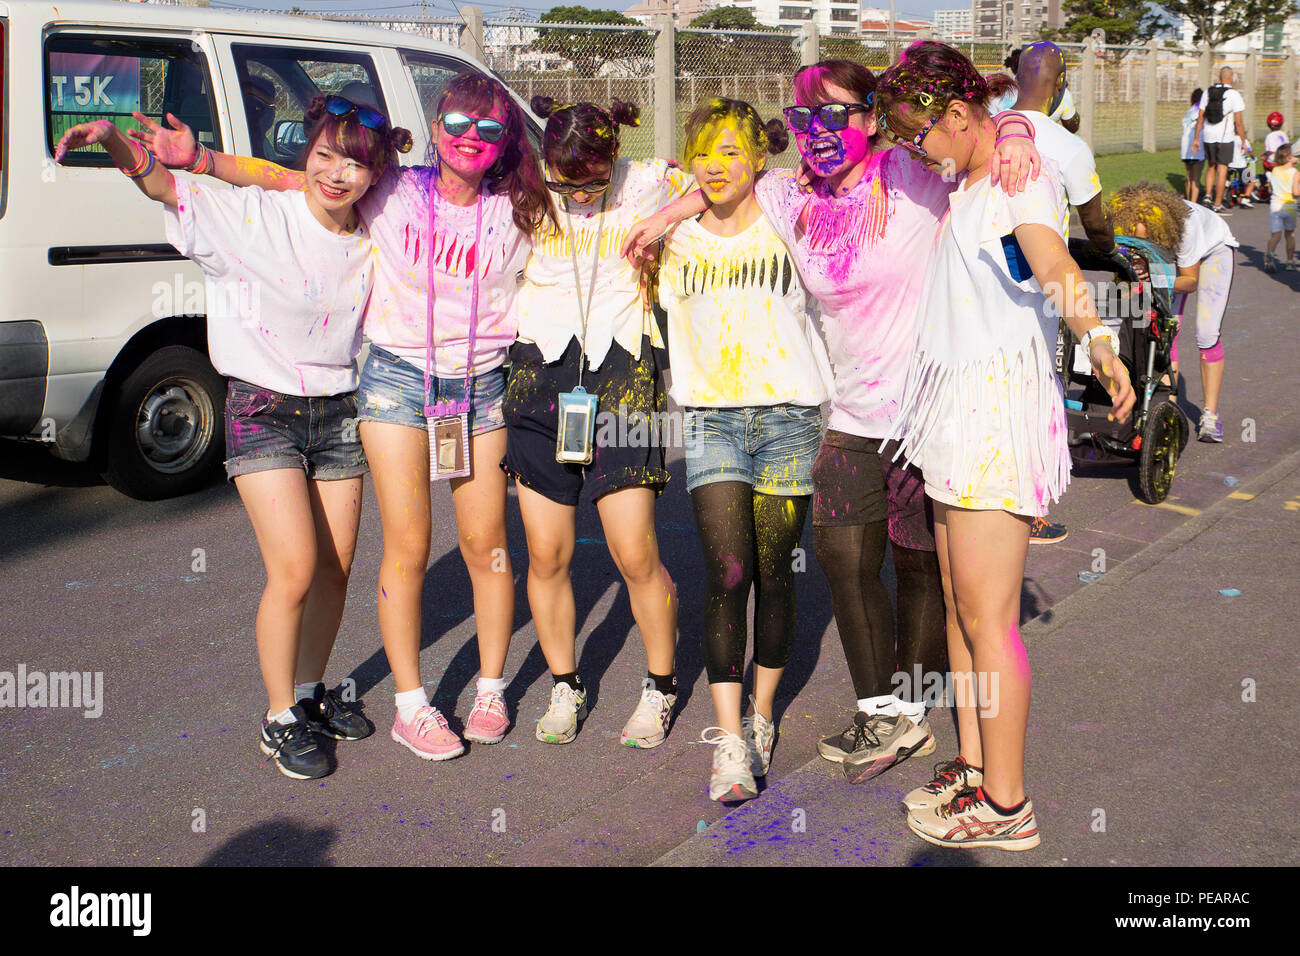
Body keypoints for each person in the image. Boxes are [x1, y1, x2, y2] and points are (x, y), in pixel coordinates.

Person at [623, 59, 1043, 786]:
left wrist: (1013, 126)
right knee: (845, 560)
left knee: (919, 568)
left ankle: (914, 712)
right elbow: (721, 181)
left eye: (835, 116)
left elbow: (967, 126)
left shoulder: (912, 173)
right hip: (849, 409)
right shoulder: (790, 193)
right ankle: (880, 705)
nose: (818, 133)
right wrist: (665, 213)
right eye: (805, 119)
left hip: (926, 409)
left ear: (873, 119)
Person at [132, 74, 553, 759]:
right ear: (435, 121)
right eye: (457, 122)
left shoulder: (521, 207)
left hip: (478, 387)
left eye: (489, 129)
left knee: (486, 544)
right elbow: (293, 176)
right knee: (406, 545)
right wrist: (198, 161)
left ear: (506, 141)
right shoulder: (394, 188)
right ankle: (410, 706)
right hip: (395, 383)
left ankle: (489, 687)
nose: (470, 139)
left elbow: (593, 196)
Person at [56, 100, 412, 779]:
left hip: (339, 409)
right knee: (296, 569)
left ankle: (309, 694)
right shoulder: (254, 215)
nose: (338, 173)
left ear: (376, 175)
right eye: (327, 155)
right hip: (262, 407)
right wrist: (114, 144)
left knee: (337, 568)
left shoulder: (374, 235)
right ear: (306, 152)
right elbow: (164, 183)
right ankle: (278, 718)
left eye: (358, 163)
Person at [874, 40, 1134, 850]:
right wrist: (1011, 123)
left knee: (990, 619)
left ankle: (1008, 804)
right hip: (954, 407)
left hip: (995, 410)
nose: (915, 147)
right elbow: (997, 109)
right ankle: (977, 766)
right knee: (960, 606)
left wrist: (1096, 335)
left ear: (958, 116)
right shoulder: (978, 169)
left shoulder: (1022, 178)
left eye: (921, 132)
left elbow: (1052, 254)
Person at [656, 98, 834, 801]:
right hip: (711, 422)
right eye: (704, 150)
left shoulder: (794, 220)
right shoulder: (674, 240)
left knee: (777, 572)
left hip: (791, 417)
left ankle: (763, 714)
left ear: (762, 157)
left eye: (732, 150)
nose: (716, 163)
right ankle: (730, 740)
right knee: (728, 573)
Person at [506, 97, 690, 748]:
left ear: (614, 160)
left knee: (634, 550)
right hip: (539, 372)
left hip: (625, 366)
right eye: (564, 181)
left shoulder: (646, 182)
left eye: (589, 181)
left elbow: (734, 178)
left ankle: (660, 686)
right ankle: (565, 682)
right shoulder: (527, 184)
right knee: (548, 552)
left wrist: (667, 214)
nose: (577, 194)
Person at [1011, 40, 1116, 546]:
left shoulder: (991, 130)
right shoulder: (1069, 147)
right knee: (1036, 394)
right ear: (1060, 85)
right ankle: (1027, 513)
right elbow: (1096, 223)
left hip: (975, 281)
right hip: (1036, 288)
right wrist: (1110, 248)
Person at [1108, 182, 1238, 442]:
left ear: (1160, 230)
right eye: (1137, 239)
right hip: (1169, 257)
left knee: (1206, 334)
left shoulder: (1185, 229)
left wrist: (1153, 278)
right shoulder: (1131, 225)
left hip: (1214, 252)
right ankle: (1167, 410)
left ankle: (1210, 416)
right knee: (1167, 331)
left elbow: (1189, 282)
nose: (1141, 244)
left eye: (1147, 240)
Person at [1194, 67, 1246, 212]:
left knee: (1211, 166)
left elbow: (1200, 116)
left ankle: (1208, 195)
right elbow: (1239, 121)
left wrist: (1196, 138)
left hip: (1208, 135)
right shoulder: (1234, 94)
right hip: (1225, 137)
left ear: (1219, 77)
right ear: (1232, 77)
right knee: (1222, 168)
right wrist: (1243, 140)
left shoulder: (1208, 92)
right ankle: (1217, 203)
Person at [1264, 144, 1297, 271]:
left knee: (1275, 235)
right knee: (1290, 235)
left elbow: (1271, 188)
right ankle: (1289, 261)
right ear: (1289, 157)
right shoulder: (1295, 173)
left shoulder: (1275, 171)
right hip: (1289, 207)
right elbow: (1295, 192)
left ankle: (1269, 258)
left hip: (1276, 206)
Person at [1182, 88, 1206, 204]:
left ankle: (1188, 200)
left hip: (1185, 147)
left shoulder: (1188, 111)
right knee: (1196, 178)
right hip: (1197, 146)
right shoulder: (1201, 111)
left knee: (1189, 176)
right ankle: (1194, 203)